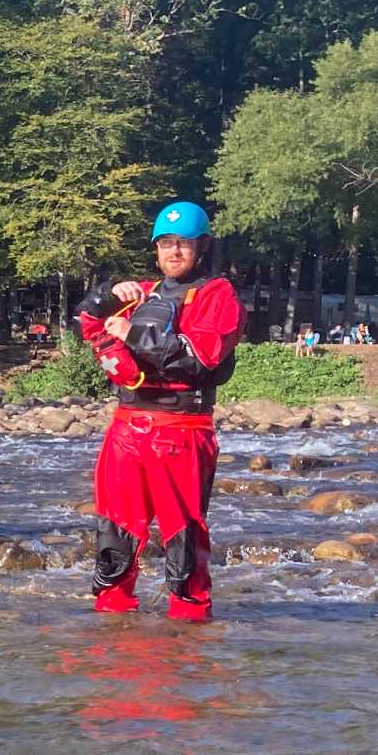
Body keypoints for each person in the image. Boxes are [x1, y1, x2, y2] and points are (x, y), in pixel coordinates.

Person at [73, 200, 243, 623]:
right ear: (156, 249)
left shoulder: (217, 296)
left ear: (200, 247)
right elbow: (85, 326)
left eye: (183, 244)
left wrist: (133, 334)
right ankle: (111, 618)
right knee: (115, 530)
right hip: (127, 429)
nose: (174, 252)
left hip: (182, 431)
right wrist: (106, 297)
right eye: (166, 243)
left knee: (181, 534)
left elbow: (199, 358)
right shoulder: (142, 293)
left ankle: (187, 627)